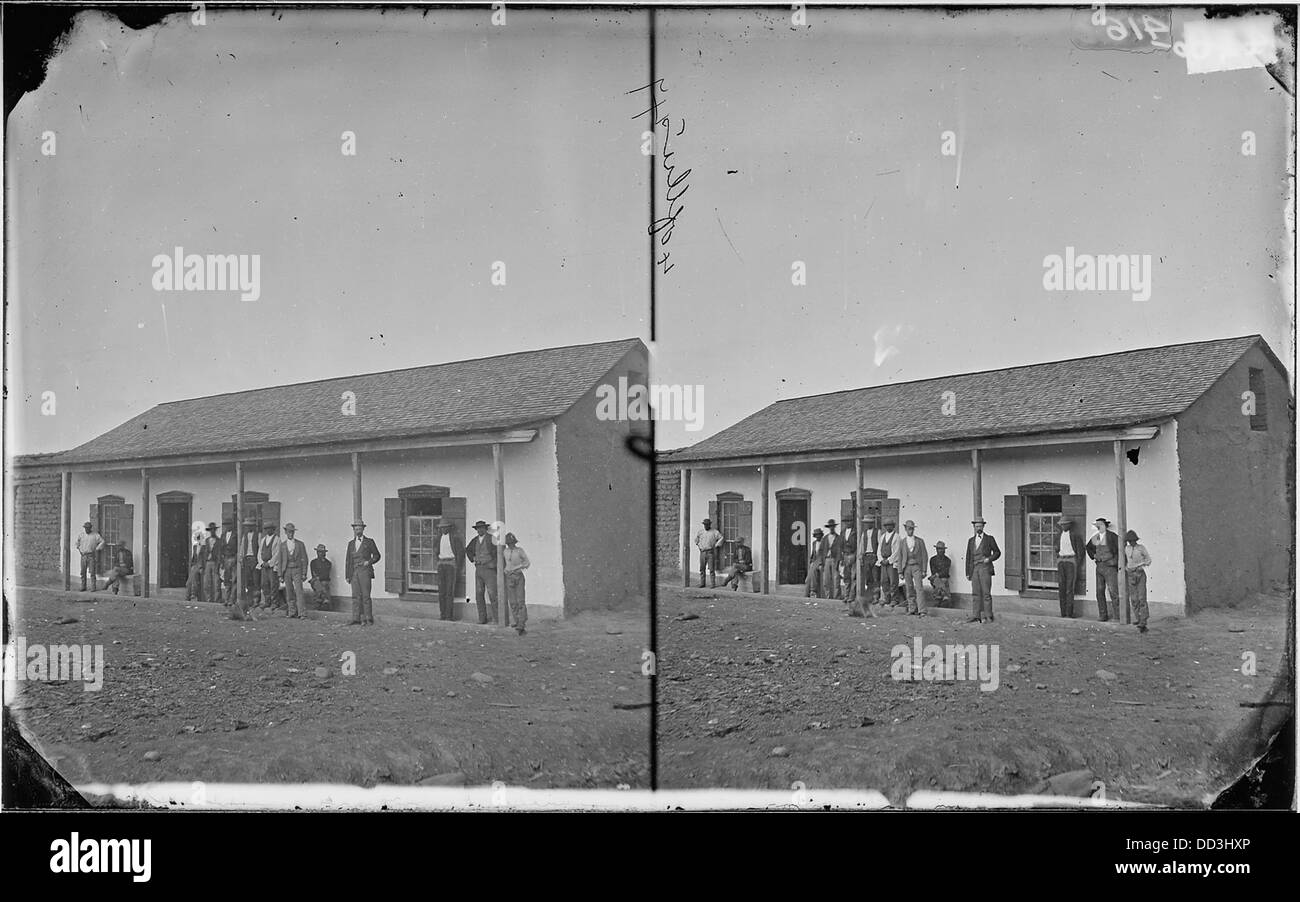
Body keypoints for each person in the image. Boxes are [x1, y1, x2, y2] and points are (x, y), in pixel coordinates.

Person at [964, 517, 1002, 623]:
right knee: (975, 593)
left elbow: (997, 552)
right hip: (974, 569)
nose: (978, 528)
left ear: (983, 526)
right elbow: (968, 557)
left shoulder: (990, 539)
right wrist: (968, 572)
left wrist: (989, 559)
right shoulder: (971, 541)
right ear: (974, 527)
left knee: (986, 593)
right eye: (976, 526)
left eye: (980, 526)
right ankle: (976, 615)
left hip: (985, 568)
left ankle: (988, 615)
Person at [345, 519, 381, 625]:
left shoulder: (369, 542)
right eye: (356, 529)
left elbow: (377, 555)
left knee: (366, 596)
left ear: (363, 529)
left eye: (360, 528)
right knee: (355, 596)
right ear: (353, 530)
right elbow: (348, 561)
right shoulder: (351, 544)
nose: (358, 530)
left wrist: (369, 562)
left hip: (365, 571)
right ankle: (356, 618)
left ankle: (368, 618)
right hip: (354, 573)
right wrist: (348, 575)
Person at [1086, 517, 1121, 622]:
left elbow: (1121, 548)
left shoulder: (1112, 536)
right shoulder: (1096, 537)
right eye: (1097, 525)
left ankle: (1117, 616)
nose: (1098, 527)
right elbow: (1088, 548)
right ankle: (1103, 615)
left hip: (1110, 568)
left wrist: (1115, 561)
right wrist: (1094, 556)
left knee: (1113, 591)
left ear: (1105, 525)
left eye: (1100, 525)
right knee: (1099, 592)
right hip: (1099, 567)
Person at [891, 519, 930, 616]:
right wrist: (900, 571)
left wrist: (924, 570)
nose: (910, 531)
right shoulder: (903, 542)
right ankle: (912, 608)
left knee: (919, 588)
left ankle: (922, 610)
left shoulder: (920, 541)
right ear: (905, 529)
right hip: (907, 567)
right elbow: (900, 557)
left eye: (912, 529)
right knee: (909, 588)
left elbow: (925, 556)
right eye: (909, 529)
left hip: (917, 567)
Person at [464, 520, 498, 624]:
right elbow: (468, 550)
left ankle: (498, 619)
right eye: (478, 528)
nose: (480, 530)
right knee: (479, 594)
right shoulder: (474, 540)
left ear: (485, 529)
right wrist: (473, 558)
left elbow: (499, 551)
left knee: (493, 594)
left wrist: (494, 563)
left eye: (482, 528)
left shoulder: (492, 538)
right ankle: (482, 619)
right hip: (478, 569)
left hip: (489, 570)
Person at [278, 522, 310, 618]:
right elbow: (280, 560)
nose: (290, 533)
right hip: (287, 570)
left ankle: (302, 613)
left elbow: (305, 559)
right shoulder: (282, 545)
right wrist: (280, 575)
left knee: (299, 591)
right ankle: (292, 612)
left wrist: (304, 573)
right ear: (285, 532)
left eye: (292, 532)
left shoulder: (300, 544)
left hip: (297, 570)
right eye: (288, 532)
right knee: (289, 591)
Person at [501, 532, 531, 635]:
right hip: (509, 577)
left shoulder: (519, 551)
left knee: (520, 600)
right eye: (509, 543)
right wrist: (506, 570)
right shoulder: (505, 551)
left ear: (515, 542)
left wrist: (519, 568)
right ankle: (516, 620)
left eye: (512, 543)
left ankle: (521, 623)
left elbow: (527, 563)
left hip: (518, 576)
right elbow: (505, 564)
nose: (510, 545)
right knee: (513, 601)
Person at [435, 520, 464, 621]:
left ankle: (449, 616)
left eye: (445, 527)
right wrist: (438, 562)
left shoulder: (454, 538)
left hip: (451, 565)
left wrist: (457, 565)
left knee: (449, 591)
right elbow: (435, 551)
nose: (443, 529)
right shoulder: (438, 538)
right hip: (441, 564)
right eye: (442, 527)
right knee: (441, 591)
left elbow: (460, 553)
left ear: (449, 528)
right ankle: (442, 615)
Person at [1055, 518, 1084, 618]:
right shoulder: (1059, 535)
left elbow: (1081, 551)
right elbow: (1056, 548)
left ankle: (1069, 613)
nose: (1063, 526)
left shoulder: (1074, 535)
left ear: (1069, 525)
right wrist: (1058, 558)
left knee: (1069, 588)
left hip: (1071, 561)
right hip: (1061, 561)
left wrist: (1077, 562)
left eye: (1065, 524)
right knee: (1061, 587)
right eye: (1062, 524)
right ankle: (1063, 613)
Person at [1124, 530, 1151, 633]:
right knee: (1134, 598)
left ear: (1136, 540)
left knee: (1141, 597)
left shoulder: (1141, 548)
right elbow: (1126, 561)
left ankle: (1143, 620)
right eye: (1129, 541)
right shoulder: (1126, 548)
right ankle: (1138, 618)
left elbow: (1148, 559)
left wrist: (1142, 565)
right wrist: (1127, 568)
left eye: (1133, 540)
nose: (1131, 542)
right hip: (1130, 574)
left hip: (1139, 573)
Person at [256, 523, 282, 611]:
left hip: (272, 566)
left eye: (270, 529)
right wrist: (261, 562)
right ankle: (267, 601)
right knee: (264, 584)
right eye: (266, 529)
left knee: (273, 584)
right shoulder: (263, 540)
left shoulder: (277, 540)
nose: (268, 530)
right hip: (263, 565)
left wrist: (270, 563)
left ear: (273, 529)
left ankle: (275, 603)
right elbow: (259, 552)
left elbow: (277, 554)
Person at [694, 518, 724, 588]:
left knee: (711, 569)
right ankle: (702, 583)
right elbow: (696, 540)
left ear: (710, 524)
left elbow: (721, 538)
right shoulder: (700, 532)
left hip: (710, 552)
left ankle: (712, 584)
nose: (706, 526)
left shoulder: (714, 532)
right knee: (702, 569)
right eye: (705, 525)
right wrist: (699, 546)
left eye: (707, 525)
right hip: (702, 552)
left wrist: (716, 545)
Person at [75, 521, 104, 592]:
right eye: (85, 528)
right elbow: (77, 543)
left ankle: (93, 587)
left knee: (92, 572)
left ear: (90, 528)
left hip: (91, 555)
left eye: (88, 528)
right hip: (83, 555)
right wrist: (79, 549)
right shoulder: (81, 535)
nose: (87, 529)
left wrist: (97, 548)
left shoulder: (95, 535)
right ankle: (83, 586)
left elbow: (102, 541)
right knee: (83, 572)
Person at [878, 520, 901, 607]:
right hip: (883, 562)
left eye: (890, 525)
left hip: (892, 562)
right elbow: (879, 549)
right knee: (884, 581)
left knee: (893, 581)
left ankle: (894, 599)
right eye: (887, 525)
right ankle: (887, 598)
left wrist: (889, 560)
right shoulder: (883, 536)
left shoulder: (897, 537)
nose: (888, 527)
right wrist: (881, 559)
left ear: (893, 526)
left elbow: (897, 551)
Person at [239, 516, 260, 608]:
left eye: (251, 526)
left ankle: (256, 600)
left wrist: (258, 561)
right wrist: (241, 559)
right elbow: (242, 549)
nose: (249, 527)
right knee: (248, 582)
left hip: (255, 560)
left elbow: (260, 549)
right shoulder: (245, 536)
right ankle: (249, 600)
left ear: (254, 526)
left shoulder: (258, 535)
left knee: (256, 581)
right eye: (247, 526)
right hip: (247, 560)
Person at [201, 522, 222, 604]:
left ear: (215, 530)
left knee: (216, 582)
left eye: (213, 530)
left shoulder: (219, 541)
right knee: (206, 583)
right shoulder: (206, 541)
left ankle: (217, 600)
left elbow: (220, 553)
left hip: (215, 563)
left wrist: (219, 564)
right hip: (207, 563)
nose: (212, 531)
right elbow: (202, 553)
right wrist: (202, 565)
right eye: (211, 530)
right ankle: (208, 599)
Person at [821, 519, 842, 600]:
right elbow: (821, 550)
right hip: (826, 560)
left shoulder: (838, 538)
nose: (831, 528)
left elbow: (840, 550)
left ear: (834, 527)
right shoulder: (825, 538)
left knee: (836, 579)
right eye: (830, 527)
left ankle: (837, 597)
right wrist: (821, 561)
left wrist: (838, 560)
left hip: (834, 560)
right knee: (826, 580)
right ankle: (828, 597)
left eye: (833, 527)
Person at [839, 514, 857, 606]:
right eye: (846, 521)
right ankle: (846, 595)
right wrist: (842, 557)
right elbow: (840, 546)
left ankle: (852, 596)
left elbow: (858, 545)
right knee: (846, 577)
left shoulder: (855, 532)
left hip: (853, 555)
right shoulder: (842, 532)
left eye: (849, 521)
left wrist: (855, 555)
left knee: (853, 576)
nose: (847, 523)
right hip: (845, 555)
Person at [309, 544, 333, 610]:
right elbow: (313, 574)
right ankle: (325, 598)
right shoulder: (313, 562)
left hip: (324, 581)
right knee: (318, 583)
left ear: (325, 553)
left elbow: (326, 575)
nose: (320, 554)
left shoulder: (328, 563)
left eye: (322, 552)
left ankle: (319, 602)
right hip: (315, 581)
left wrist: (319, 577)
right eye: (319, 552)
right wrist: (319, 577)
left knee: (323, 584)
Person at [221, 521, 239, 605]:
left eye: (228, 524)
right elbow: (221, 548)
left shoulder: (236, 535)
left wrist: (236, 557)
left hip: (233, 558)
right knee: (227, 580)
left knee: (234, 579)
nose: (227, 526)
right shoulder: (223, 535)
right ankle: (226, 599)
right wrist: (222, 560)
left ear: (232, 525)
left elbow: (238, 548)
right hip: (226, 559)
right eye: (226, 525)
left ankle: (232, 599)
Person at [928, 541, 951, 606]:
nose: (940, 551)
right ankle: (945, 595)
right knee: (937, 580)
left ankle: (939, 597)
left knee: (942, 580)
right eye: (938, 549)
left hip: (943, 578)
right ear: (936, 550)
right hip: (935, 579)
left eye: (941, 549)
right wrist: (937, 575)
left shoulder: (948, 560)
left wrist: (937, 575)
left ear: (944, 550)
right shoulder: (932, 559)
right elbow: (933, 571)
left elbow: (945, 572)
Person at [185, 526, 205, 602]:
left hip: (200, 566)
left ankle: (194, 595)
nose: (199, 539)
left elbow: (204, 558)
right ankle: (188, 597)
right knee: (189, 582)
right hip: (195, 565)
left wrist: (201, 567)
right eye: (198, 538)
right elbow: (194, 557)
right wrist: (192, 564)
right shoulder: (195, 547)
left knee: (195, 581)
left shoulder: (204, 547)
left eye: (200, 538)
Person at [805, 528, 825, 598]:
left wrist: (821, 563)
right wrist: (811, 561)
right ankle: (807, 594)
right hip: (815, 560)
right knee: (808, 579)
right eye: (816, 535)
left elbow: (824, 554)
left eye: (819, 535)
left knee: (814, 572)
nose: (818, 536)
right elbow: (813, 553)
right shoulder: (814, 543)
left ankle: (813, 591)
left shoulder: (824, 542)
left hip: (820, 560)